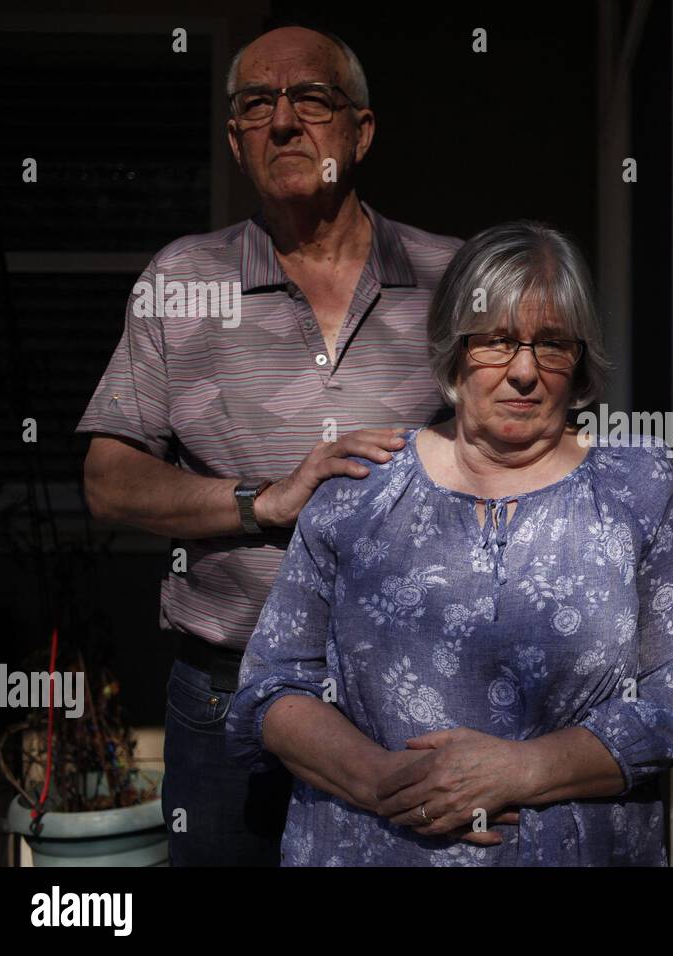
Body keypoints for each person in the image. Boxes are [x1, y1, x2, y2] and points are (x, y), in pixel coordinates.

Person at [76, 25, 463, 865]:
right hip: (226, 693)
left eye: (310, 100)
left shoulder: (453, 279)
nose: (283, 122)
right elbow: (107, 482)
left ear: (360, 132)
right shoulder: (183, 279)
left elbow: (533, 454)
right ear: (236, 141)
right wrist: (260, 502)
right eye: (258, 105)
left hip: (416, 693)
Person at [227, 221, 673, 865]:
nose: (525, 372)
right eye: (497, 342)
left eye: (552, 344)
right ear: (454, 346)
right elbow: (272, 688)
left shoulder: (638, 488)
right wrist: (384, 783)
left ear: (581, 359)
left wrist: (520, 770)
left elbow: (671, 710)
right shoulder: (359, 491)